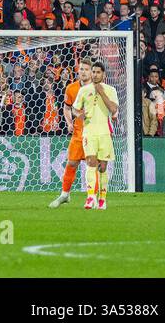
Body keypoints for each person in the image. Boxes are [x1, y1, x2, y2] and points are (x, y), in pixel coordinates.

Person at [73, 60, 120, 210]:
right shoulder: (84, 90)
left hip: (105, 132)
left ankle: (102, 198)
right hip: (89, 132)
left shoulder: (111, 90)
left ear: (104, 74)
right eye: (93, 72)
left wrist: (101, 92)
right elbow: (74, 109)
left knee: (103, 167)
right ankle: (90, 197)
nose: (94, 74)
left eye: (98, 72)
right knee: (91, 163)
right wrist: (80, 114)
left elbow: (113, 109)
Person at [49, 59, 91, 208]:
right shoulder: (71, 88)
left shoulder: (97, 88)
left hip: (94, 132)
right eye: (81, 69)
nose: (83, 72)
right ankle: (65, 194)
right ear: (78, 71)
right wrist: (68, 122)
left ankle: (93, 197)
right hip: (79, 132)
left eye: (86, 69)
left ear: (91, 71)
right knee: (72, 162)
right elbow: (67, 108)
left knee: (95, 166)